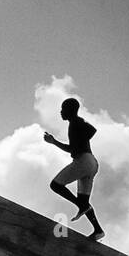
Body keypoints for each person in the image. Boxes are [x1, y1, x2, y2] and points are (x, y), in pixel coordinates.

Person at [45, 97, 106, 242]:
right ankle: (98, 231)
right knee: (84, 201)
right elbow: (78, 143)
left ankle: (81, 205)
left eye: (63, 109)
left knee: (55, 185)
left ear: (70, 111)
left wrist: (55, 142)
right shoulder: (75, 123)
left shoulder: (75, 123)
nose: (61, 112)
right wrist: (55, 142)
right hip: (92, 163)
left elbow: (87, 135)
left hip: (83, 161)